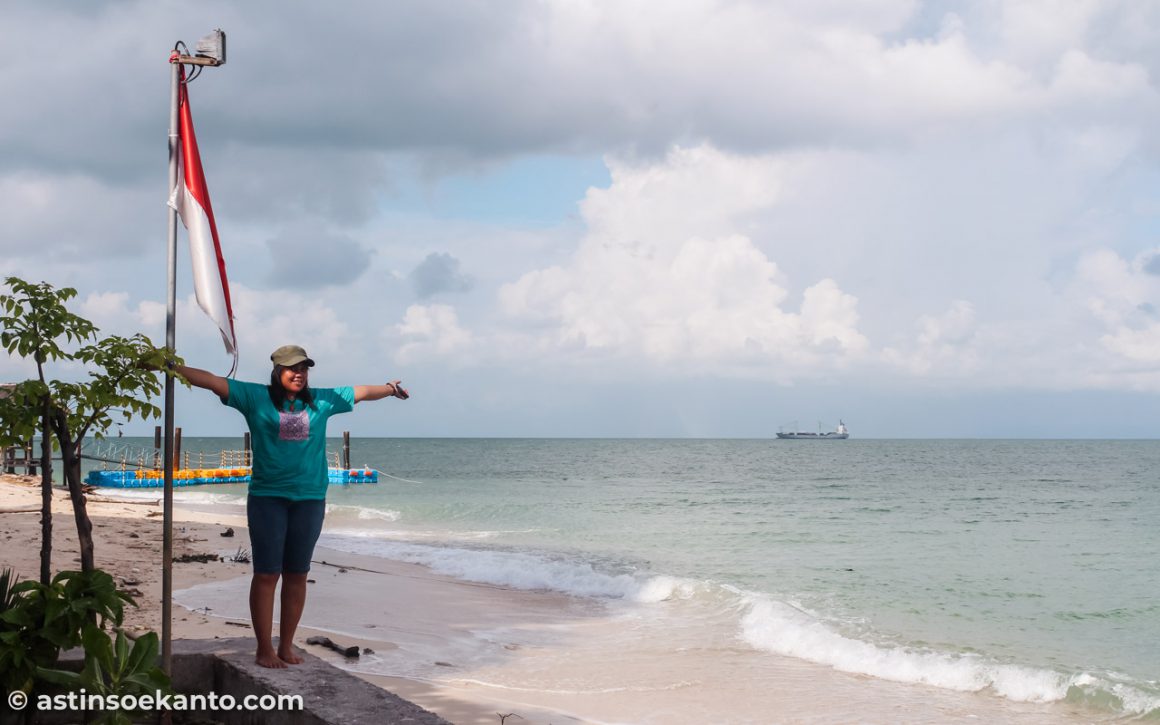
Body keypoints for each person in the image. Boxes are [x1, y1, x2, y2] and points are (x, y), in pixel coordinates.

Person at [176, 344, 409, 668]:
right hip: (268, 499)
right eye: (291, 368)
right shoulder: (254, 397)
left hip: (310, 500)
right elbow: (211, 381)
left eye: (303, 368)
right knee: (267, 574)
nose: (298, 373)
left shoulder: (323, 400)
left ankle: (285, 645)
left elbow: (362, 391)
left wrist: (389, 389)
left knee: (298, 574)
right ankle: (264, 649)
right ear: (277, 371)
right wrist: (170, 366)